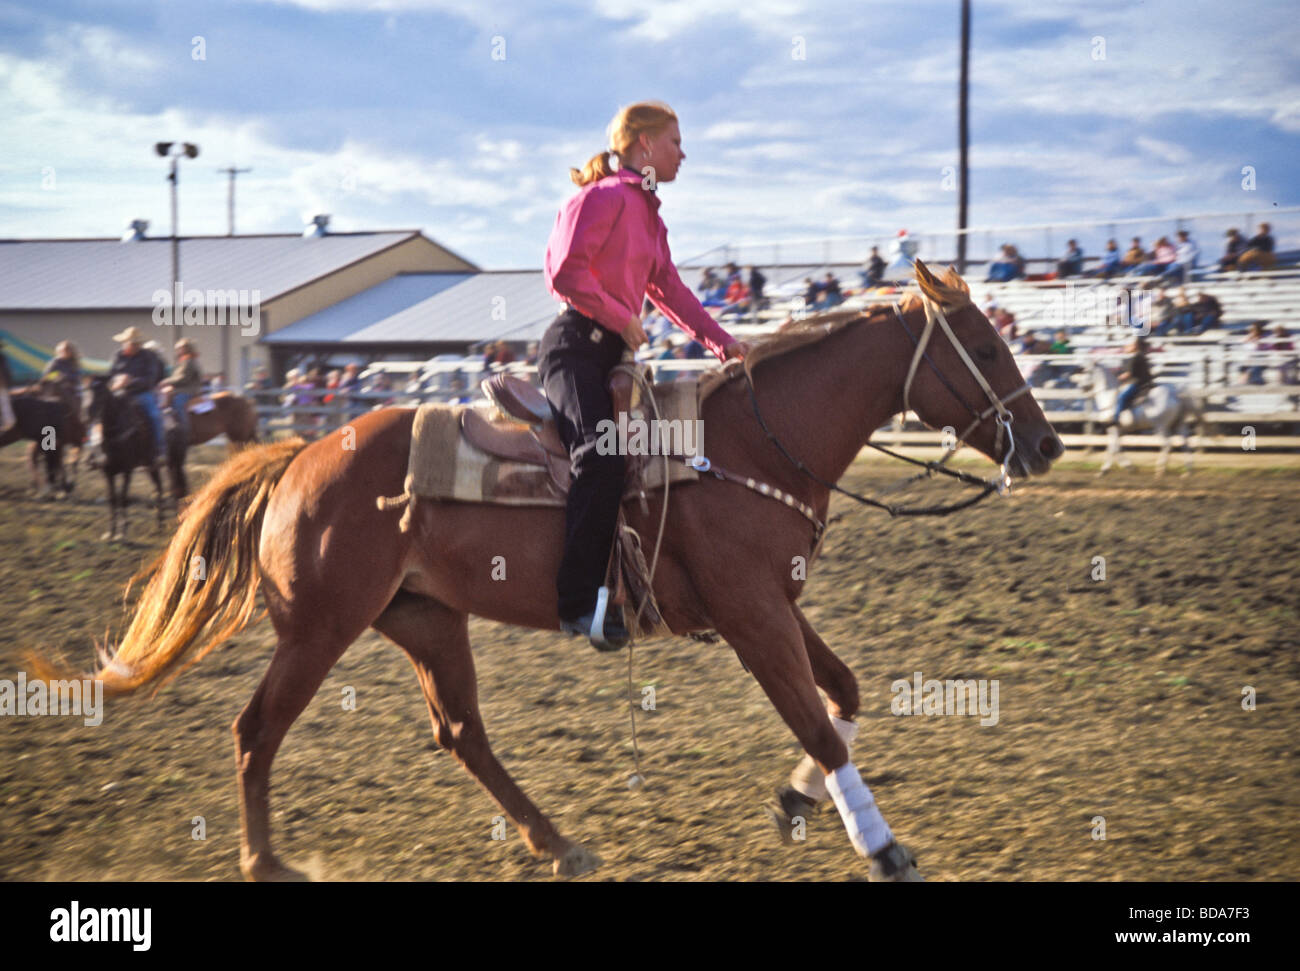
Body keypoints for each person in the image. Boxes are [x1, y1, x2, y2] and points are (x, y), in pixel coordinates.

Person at [540, 100, 747, 651]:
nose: (684, 153)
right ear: (645, 145)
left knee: (668, 456)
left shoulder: (648, 217)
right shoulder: (602, 198)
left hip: (614, 359)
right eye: (676, 141)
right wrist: (622, 319)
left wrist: (725, 345)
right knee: (601, 455)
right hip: (576, 351)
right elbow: (564, 273)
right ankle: (580, 604)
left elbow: (672, 291)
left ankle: (663, 588)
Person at [107, 326, 166, 452]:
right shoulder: (118, 356)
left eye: (135, 343)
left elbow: (150, 379)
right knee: (102, 414)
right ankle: (100, 449)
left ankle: (160, 449)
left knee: (155, 415)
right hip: (120, 393)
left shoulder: (148, 356)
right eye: (129, 342)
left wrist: (131, 381)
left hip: (142, 394)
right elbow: (111, 375)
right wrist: (117, 381)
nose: (132, 345)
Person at [160, 338, 204, 442]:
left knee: (178, 401)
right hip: (184, 387)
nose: (178, 350)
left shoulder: (189, 361)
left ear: (186, 349)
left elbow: (184, 378)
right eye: (178, 348)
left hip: (190, 389)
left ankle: (184, 429)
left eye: (180, 348)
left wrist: (166, 381)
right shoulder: (185, 360)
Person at [1113, 336, 1155, 424]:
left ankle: (1116, 419)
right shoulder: (1139, 356)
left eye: (1128, 346)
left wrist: (1117, 378)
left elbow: (1129, 374)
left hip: (1139, 384)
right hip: (1141, 382)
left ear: (1134, 346)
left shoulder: (1136, 357)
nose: (1126, 347)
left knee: (1122, 397)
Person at [0, 337, 16, 440]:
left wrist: (8, 384)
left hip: (2, 388)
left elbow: (7, 373)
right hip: (3, 387)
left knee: (8, 416)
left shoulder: (2, 358)